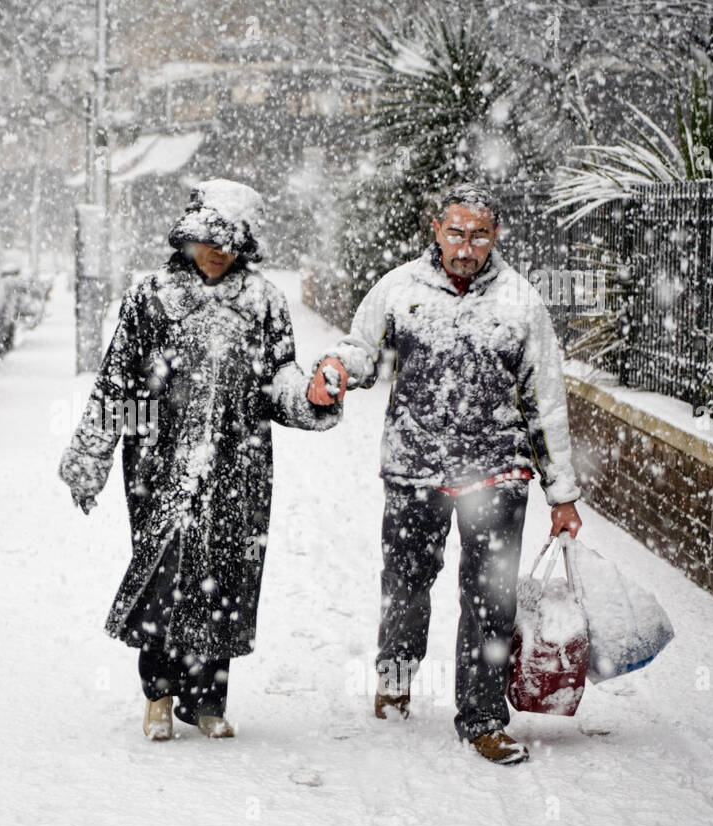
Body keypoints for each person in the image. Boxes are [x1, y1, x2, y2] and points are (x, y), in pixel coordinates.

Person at [309, 182, 582, 765]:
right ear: (436, 229)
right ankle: (397, 678)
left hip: (497, 473)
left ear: (495, 235)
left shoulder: (521, 301)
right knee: (406, 584)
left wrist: (562, 494)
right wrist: (335, 366)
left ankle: (483, 719)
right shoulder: (399, 288)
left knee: (491, 599)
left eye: (478, 233)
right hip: (414, 468)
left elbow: (546, 401)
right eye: (456, 231)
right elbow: (361, 347)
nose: (466, 245)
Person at [59, 179, 340, 740]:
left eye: (233, 242)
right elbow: (116, 385)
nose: (220, 251)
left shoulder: (264, 303)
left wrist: (310, 397)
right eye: (211, 239)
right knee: (164, 575)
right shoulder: (152, 298)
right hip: (158, 466)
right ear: (187, 236)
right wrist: (90, 457)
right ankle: (159, 695)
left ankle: (207, 699)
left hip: (240, 465)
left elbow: (278, 382)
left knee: (225, 578)